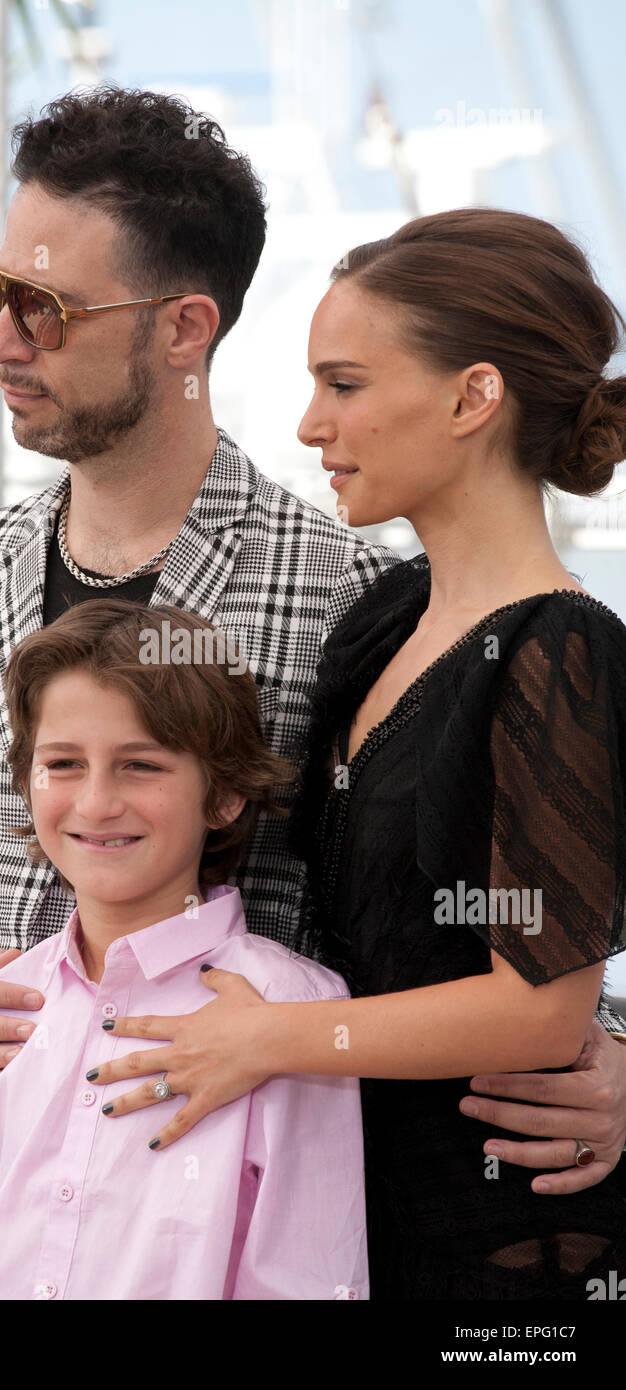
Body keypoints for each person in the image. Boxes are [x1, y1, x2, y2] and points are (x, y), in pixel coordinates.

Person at [0, 88, 625, 1301]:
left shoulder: (361, 593)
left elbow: (450, 910)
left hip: (241, 1221)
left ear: (183, 327)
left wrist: (604, 1047)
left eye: (39, 306)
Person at [78, 208, 626, 1300]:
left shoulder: (558, 651)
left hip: (497, 1235)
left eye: (344, 384)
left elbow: (538, 1009)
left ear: (473, 396)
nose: (308, 424)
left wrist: (270, 1039)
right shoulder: (383, 614)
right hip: (339, 1204)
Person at [0, 599, 368, 1300]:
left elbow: (307, 1277)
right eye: (63, 763)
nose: (95, 803)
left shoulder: (292, 1008)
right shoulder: (7, 1001)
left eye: (140, 766)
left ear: (224, 797)